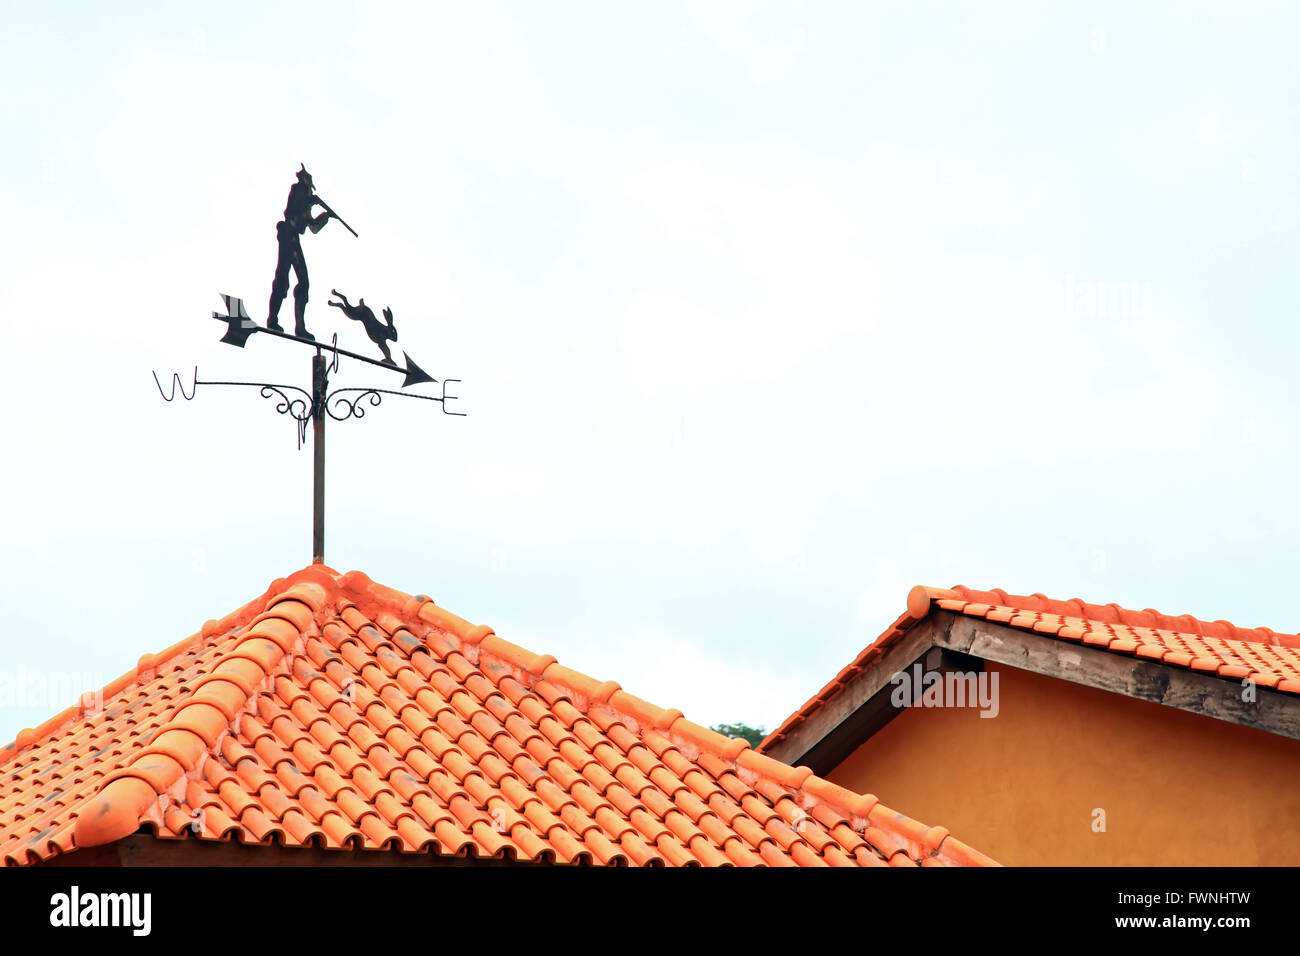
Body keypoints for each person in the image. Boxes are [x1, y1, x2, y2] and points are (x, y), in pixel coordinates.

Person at [267, 164, 333, 339]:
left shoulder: (305, 200)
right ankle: (272, 320)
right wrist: (310, 201)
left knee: (304, 283)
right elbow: (295, 207)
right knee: (282, 280)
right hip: (287, 234)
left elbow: (313, 227)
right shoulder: (298, 190)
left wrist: (325, 216)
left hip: (294, 239)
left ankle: (299, 326)